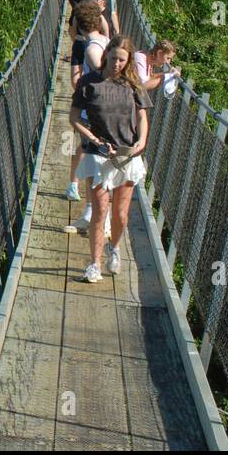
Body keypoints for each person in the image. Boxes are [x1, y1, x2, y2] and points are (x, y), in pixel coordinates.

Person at [70, 35, 151, 283]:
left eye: (122, 60)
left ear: (128, 62)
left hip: (127, 155)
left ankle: (114, 249)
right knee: (99, 210)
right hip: (98, 153)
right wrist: (93, 139)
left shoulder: (133, 84)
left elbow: (142, 117)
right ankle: (94, 265)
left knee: (121, 213)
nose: (116, 63)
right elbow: (73, 118)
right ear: (107, 54)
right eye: (114, 58)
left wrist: (142, 142)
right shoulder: (88, 81)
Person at [66, 1, 112, 202]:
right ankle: (82, 194)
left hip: (96, 109)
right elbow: (76, 80)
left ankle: (88, 200)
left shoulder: (93, 46)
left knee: (90, 150)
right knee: (89, 149)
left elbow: (100, 76)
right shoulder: (104, 40)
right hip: (96, 109)